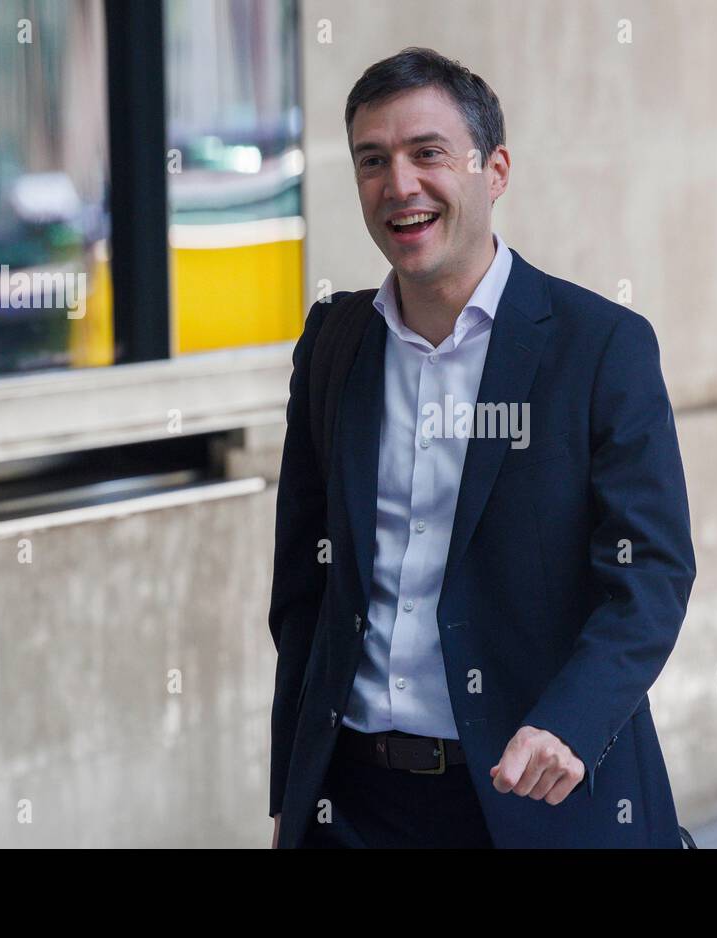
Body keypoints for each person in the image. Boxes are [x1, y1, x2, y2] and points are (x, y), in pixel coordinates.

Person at [268, 46, 695, 848]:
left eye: (427, 153)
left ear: (493, 169)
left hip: (532, 795)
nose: (399, 186)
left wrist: (568, 724)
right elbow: (303, 591)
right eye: (372, 161)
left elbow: (652, 575)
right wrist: (292, 796)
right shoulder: (333, 344)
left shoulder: (599, 347)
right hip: (353, 805)